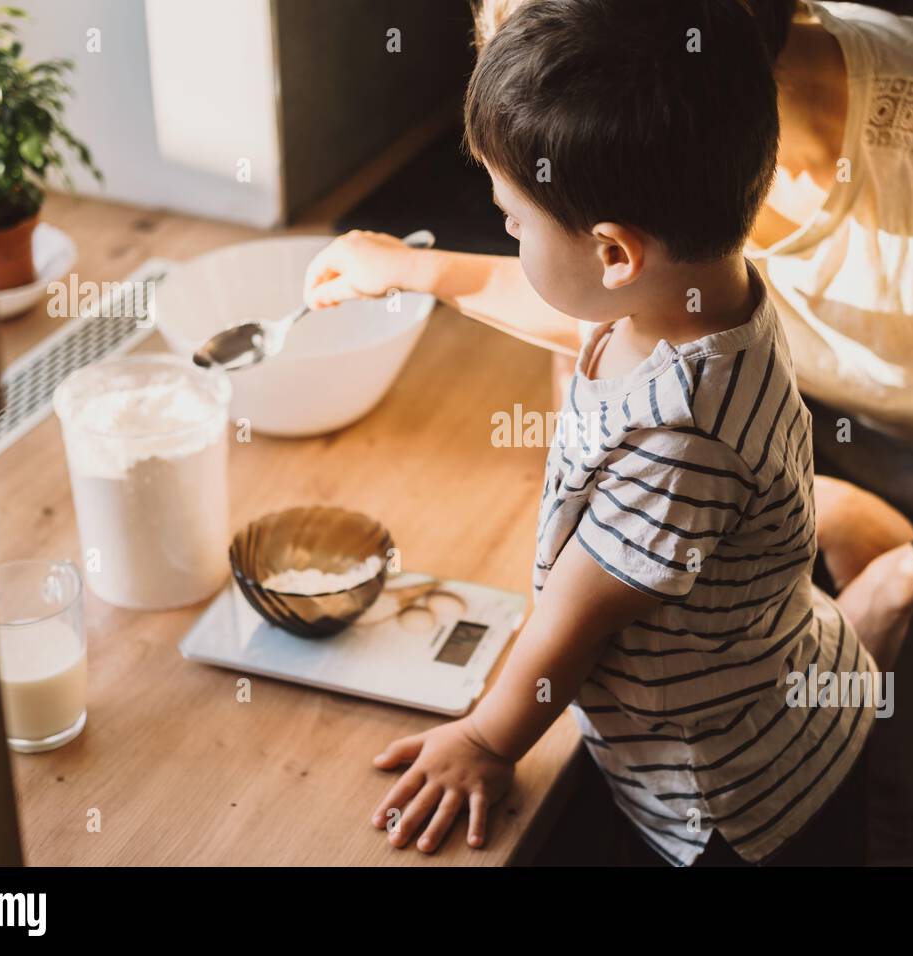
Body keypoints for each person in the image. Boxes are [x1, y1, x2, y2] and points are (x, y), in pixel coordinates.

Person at [305, 1, 913, 865]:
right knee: (884, 745)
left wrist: (489, 739)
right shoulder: (699, 220)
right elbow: (593, 307)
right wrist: (418, 270)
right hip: (799, 495)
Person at [334, 0, 883, 865]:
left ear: (615, 254)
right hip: (780, 690)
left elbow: (570, 630)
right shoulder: (696, 293)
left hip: (735, 798)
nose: (508, 237)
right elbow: (576, 314)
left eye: (513, 222)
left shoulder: (681, 442)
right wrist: (413, 269)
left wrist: (485, 740)